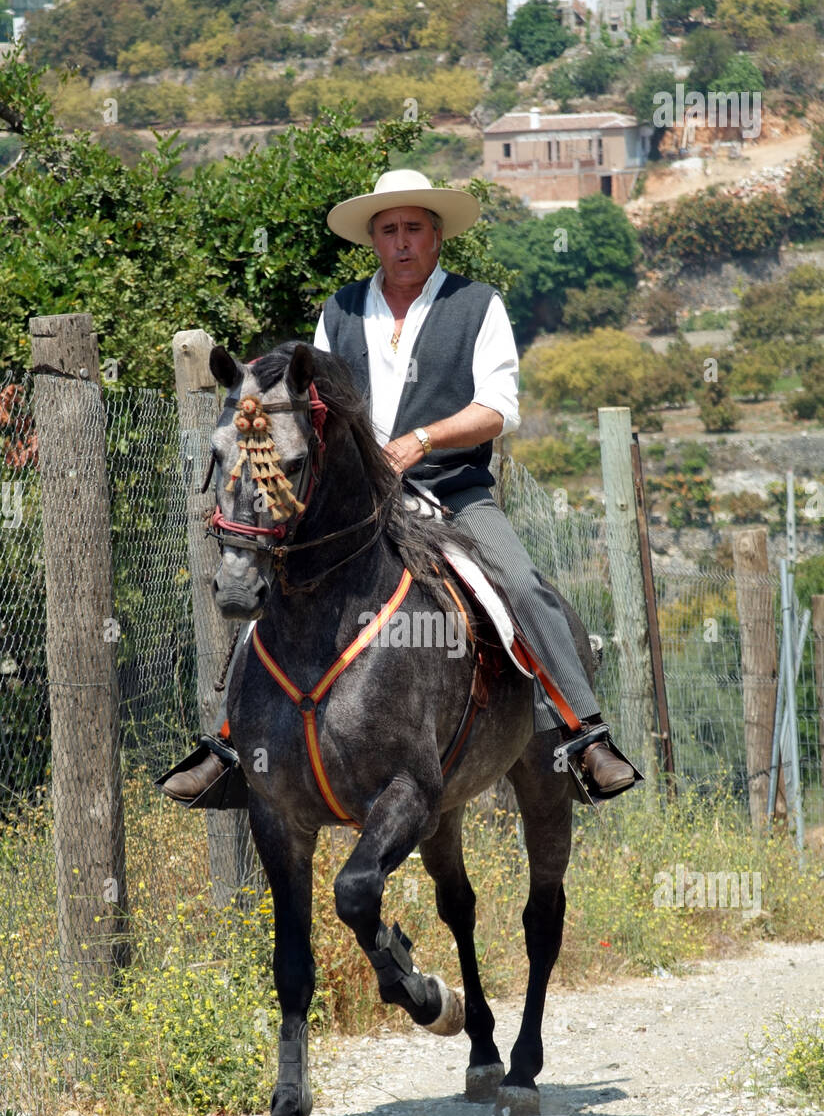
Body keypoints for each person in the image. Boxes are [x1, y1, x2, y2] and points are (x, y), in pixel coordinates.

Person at [162, 169, 636, 803]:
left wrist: (422, 440)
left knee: (520, 585)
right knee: (275, 581)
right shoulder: (341, 310)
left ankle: (584, 737)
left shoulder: (477, 305)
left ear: (437, 237)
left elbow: (497, 409)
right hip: (359, 504)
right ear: (374, 241)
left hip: (455, 492)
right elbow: (318, 408)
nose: (403, 241)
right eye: (390, 230)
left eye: (414, 228)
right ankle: (228, 745)